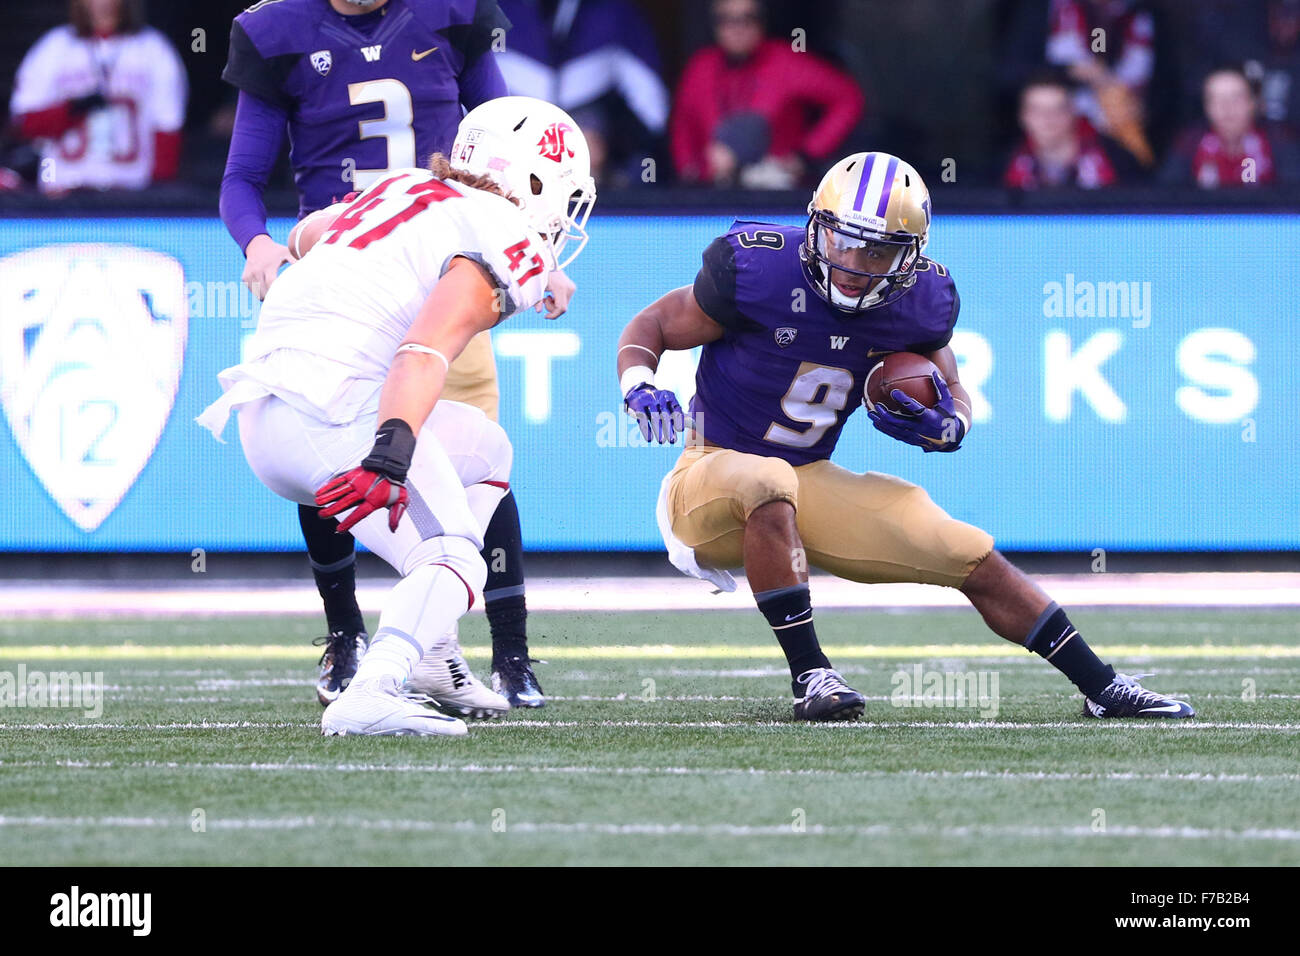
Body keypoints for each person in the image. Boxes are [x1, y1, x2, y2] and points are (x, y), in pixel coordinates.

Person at [615, 150, 1194, 722]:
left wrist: (951, 424)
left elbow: (951, 388)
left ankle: (1104, 687)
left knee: (963, 548)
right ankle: (811, 674)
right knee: (766, 478)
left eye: (878, 249)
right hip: (708, 476)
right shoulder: (756, 271)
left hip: (805, 481)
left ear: (909, 257)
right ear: (816, 227)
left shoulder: (919, 305)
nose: (854, 262)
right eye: (843, 241)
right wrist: (640, 384)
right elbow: (655, 324)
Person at [198, 96, 596, 736]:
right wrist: (390, 452)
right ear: (534, 179)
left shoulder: (409, 184)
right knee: (455, 555)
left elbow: (304, 236)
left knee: (487, 450)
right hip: (331, 409)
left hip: (276, 402)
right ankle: (374, 689)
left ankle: (435, 658)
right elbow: (424, 349)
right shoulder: (504, 234)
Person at [670, 0, 863, 188]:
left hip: (774, 191)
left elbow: (848, 98)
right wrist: (692, 171)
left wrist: (806, 156)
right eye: (727, 19)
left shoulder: (785, 61)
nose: (738, 28)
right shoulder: (700, 67)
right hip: (714, 193)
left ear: (762, 22)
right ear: (714, 25)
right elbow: (683, 124)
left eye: (748, 18)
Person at [8, 0, 186, 194]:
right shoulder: (55, 46)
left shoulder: (153, 48)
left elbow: (168, 129)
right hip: (63, 189)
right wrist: (71, 110)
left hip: (131, 192)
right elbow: (22, 123)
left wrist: (157, 195)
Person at [495, 0, 670, 186]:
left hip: (597, 190)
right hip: (508, 184)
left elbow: (653, 117)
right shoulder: (487, 13)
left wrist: (605, 141)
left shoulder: (615, 13)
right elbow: (465, 109)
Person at [1161, 65, 1299, 188]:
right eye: (1216, 99)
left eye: (1236, 98)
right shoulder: (1189, 143)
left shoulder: (1280, 141)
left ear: (1253, 103)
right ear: (1206, 107)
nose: (1226, 107)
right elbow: (1165, 196)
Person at [1004, 71, 1137, 189]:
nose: (1047, 119)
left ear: (1073, 112)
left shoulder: (1116, 159)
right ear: (1023, 116)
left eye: (1058, 109)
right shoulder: (1004, 165)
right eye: (1037, 110)